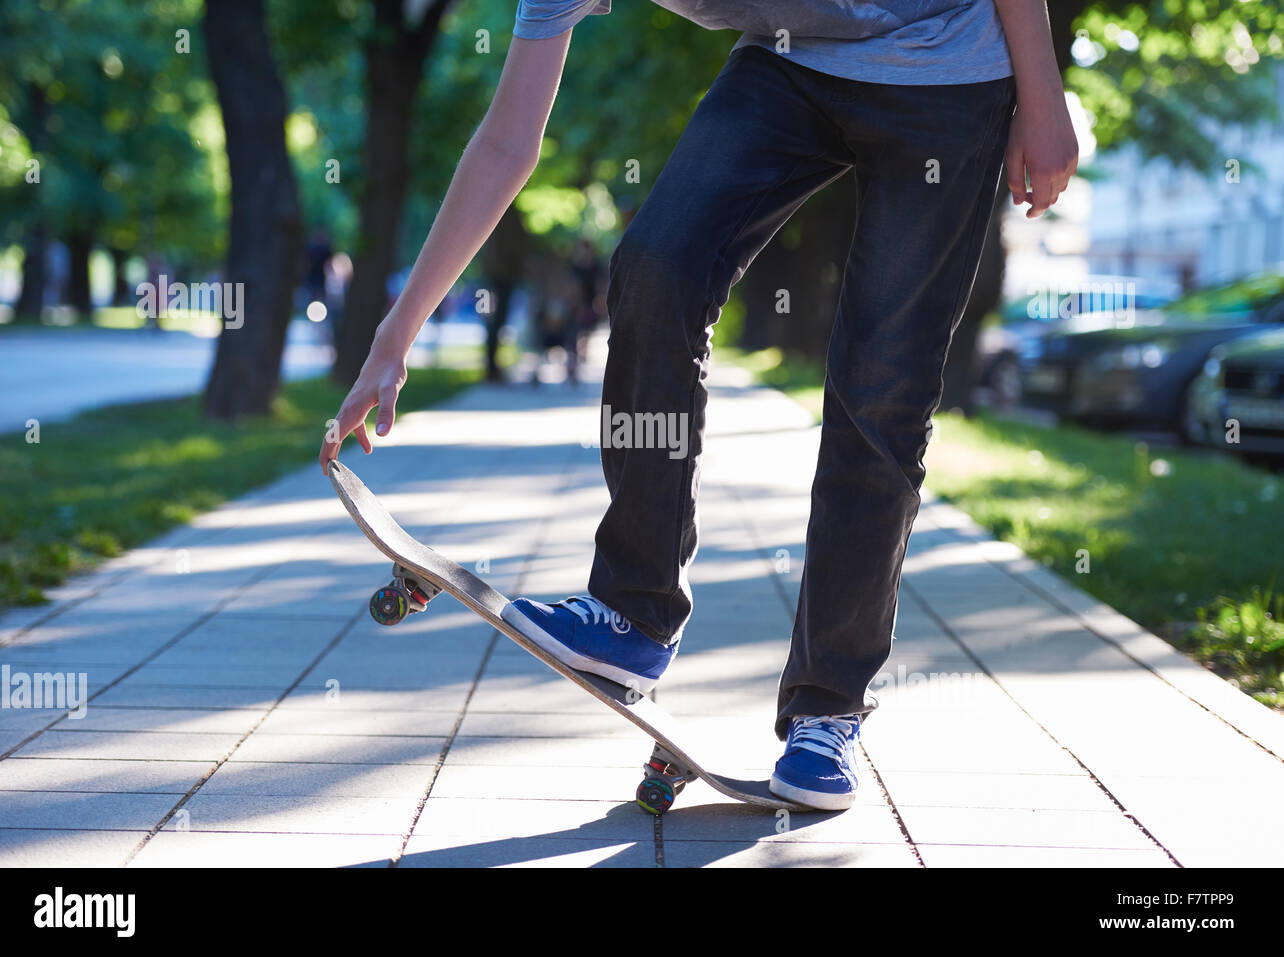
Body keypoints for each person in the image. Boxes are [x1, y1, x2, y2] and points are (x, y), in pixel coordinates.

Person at [320, 0, 1077, 811]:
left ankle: (829, 705)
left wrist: (1044, 95)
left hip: (949, 69)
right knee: (657, 264)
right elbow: (508, 141)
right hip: (788, 65)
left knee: (883, 385)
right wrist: (395, 335)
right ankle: (632, 610)